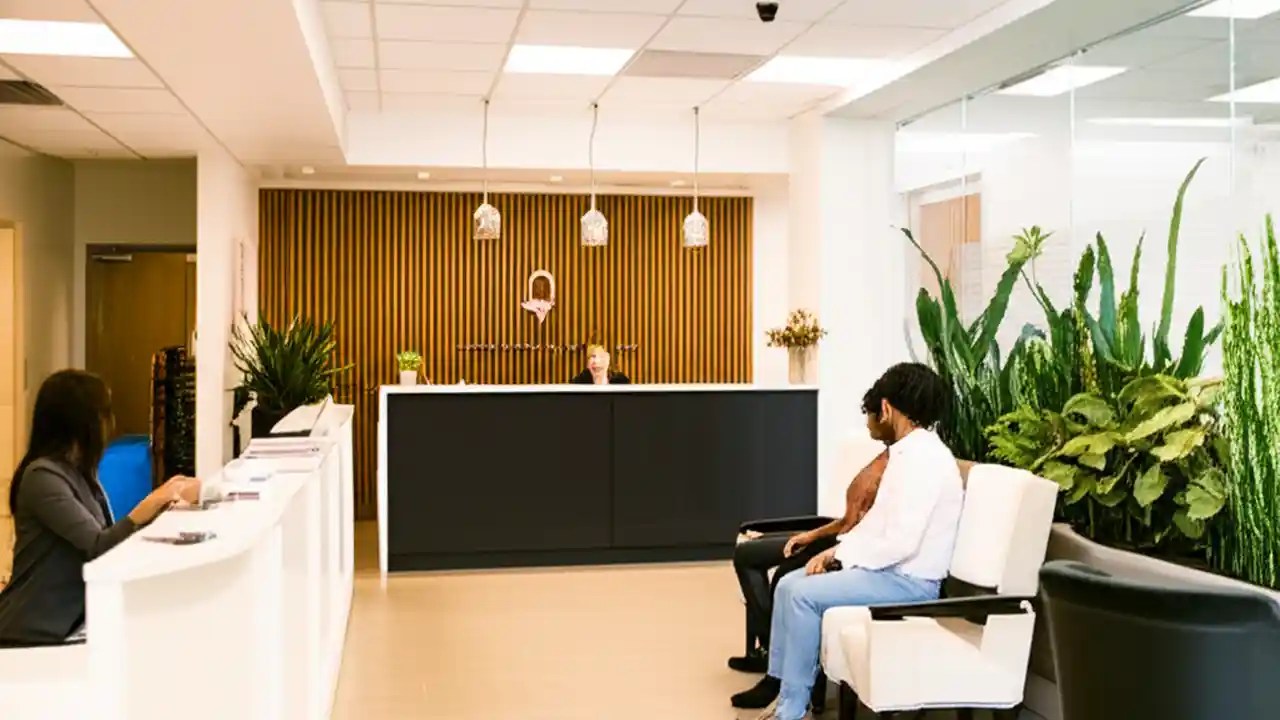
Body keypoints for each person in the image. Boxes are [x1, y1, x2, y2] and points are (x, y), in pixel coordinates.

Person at [732, 363, 964, 720]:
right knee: (789, 585)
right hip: (889, 572)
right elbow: (877, 527)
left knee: (802, 595)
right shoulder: (909, 455)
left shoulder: (925, 461)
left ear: (886, 408)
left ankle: (791, 710)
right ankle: (780, 685)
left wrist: (840, 556)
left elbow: (901, 541)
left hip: (910, 583)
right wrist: (836, 551)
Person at [0, 370, 201, 647]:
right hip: (33, 632)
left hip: (66, 625)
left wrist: (167, 506)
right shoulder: (42, 477)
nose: (111, 423)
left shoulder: (81, 475)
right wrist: (153, 502)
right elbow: (98, 545)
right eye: (104, 413)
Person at [729, 449, 889, 677]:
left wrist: (830, 550)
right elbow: (846, 520)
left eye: (869, 413)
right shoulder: (886, 457)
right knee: (750, 554)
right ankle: (773, 648)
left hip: (844, 547)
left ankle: (773, 650)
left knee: (764, 565)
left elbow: (864, 531)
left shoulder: (898, 468)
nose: (867, 420)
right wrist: (811, 535)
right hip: (835, 536)